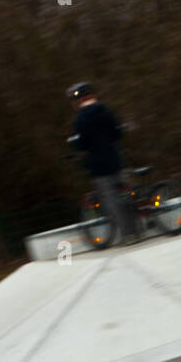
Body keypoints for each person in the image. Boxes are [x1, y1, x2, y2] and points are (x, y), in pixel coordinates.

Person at [65, 81, 137, 244]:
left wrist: (76, 144)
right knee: (126, 196)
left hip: (98, 166)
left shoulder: (80, 120)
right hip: (115, 159)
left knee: (111, 201)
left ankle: (128, 236)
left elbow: (81, 144)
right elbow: (117, 133)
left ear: (79, 100)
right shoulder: (105, 111)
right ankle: (137, 230)